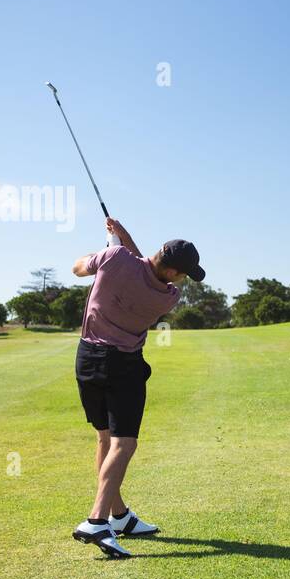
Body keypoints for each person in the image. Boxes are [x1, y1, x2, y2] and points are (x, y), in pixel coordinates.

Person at [69, 218, 205, 558]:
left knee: (105, 439)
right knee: (124, 443)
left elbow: (80, 268)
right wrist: (121, 241)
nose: (183, 280)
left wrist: (110, 246)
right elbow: (145, 271)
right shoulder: (168, 297)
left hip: (86, 359)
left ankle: (119, 516)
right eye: (185, 274)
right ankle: (97, 520)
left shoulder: (114, 258)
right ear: (174, 273)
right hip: (123, 367)